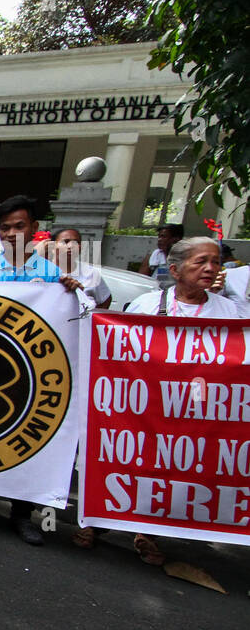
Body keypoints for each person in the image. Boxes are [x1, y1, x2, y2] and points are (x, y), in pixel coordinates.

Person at [75, 236, 241, 563]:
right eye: (201, 262)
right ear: (176, 270)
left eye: (215, 262)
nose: (210, 269)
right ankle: (96, 522)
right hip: (142, 405)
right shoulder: (146, 306)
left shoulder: (227, 311)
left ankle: (147, 532)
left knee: (173, 468)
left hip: (196, 408)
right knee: (125, 460)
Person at [0, 195, 82, 546]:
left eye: (19, 226)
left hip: (34, 373)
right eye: (5, 228)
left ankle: (21, 512)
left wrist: (73, 291)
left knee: (25, 438)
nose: (12, 233)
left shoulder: (54, 274)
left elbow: (74, 317)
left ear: (35, 230)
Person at [53, 227, 111, 310]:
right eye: (65, 241)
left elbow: (105, 300)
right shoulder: (42, 272)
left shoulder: (91, 273)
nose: (71, 246)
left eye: (76, 242)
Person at [139, 223, 183, 289]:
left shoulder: (184, 259)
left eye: (164, 237)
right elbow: (141, 280)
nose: (159, 239)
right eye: (159, 236)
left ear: (176, 239)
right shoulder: (154, 257)